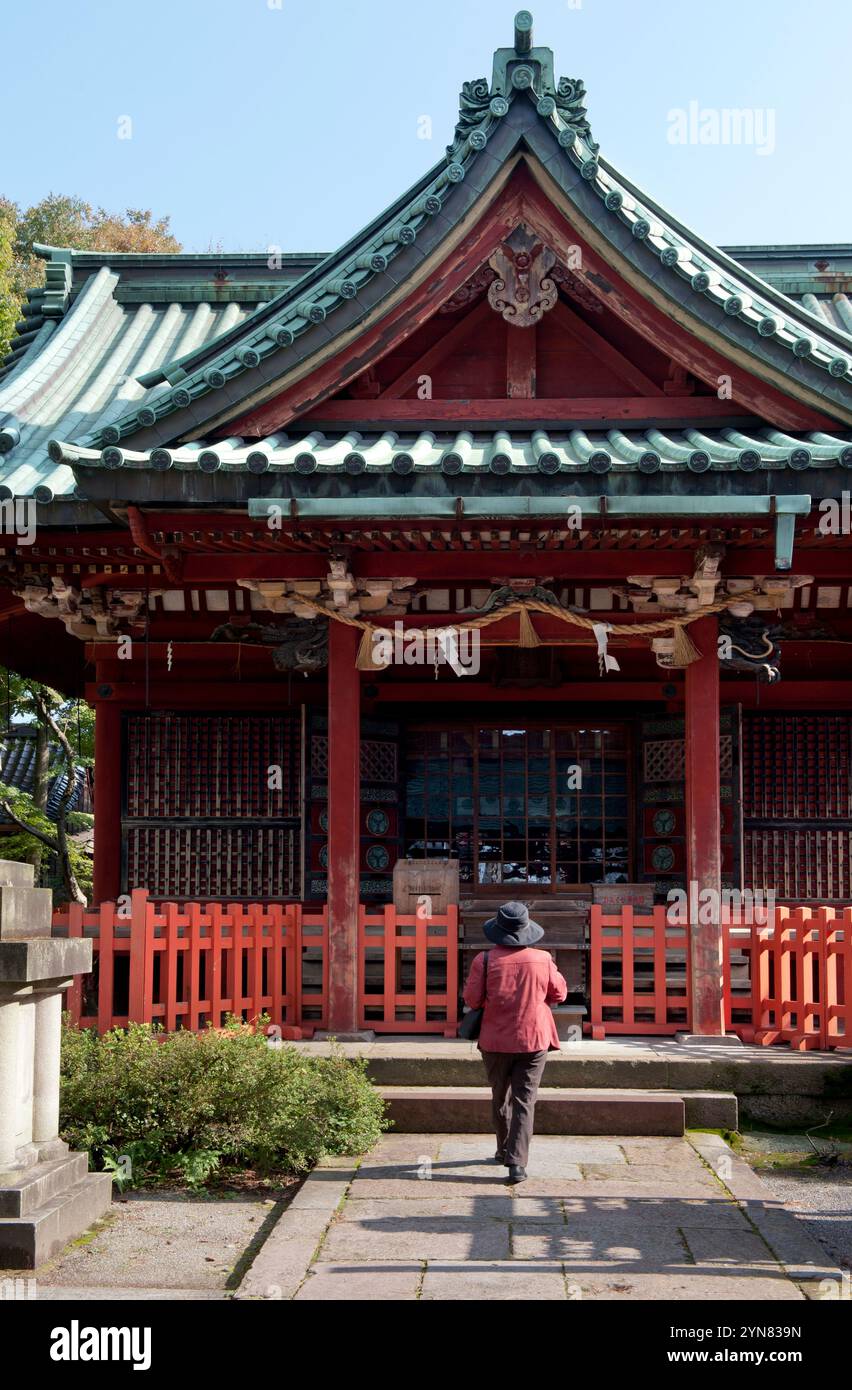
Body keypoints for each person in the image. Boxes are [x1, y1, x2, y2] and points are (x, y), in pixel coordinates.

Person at [462, 900, 568, 1185]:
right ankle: (517, 1163)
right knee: (525, 1100)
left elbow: (472, 1000)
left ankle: (502, 1148)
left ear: (498, 929)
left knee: (500, 1095)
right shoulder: (543, 959)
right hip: (533, 1038)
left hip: (495, 1038)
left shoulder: (484, 960)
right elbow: (559, 994)